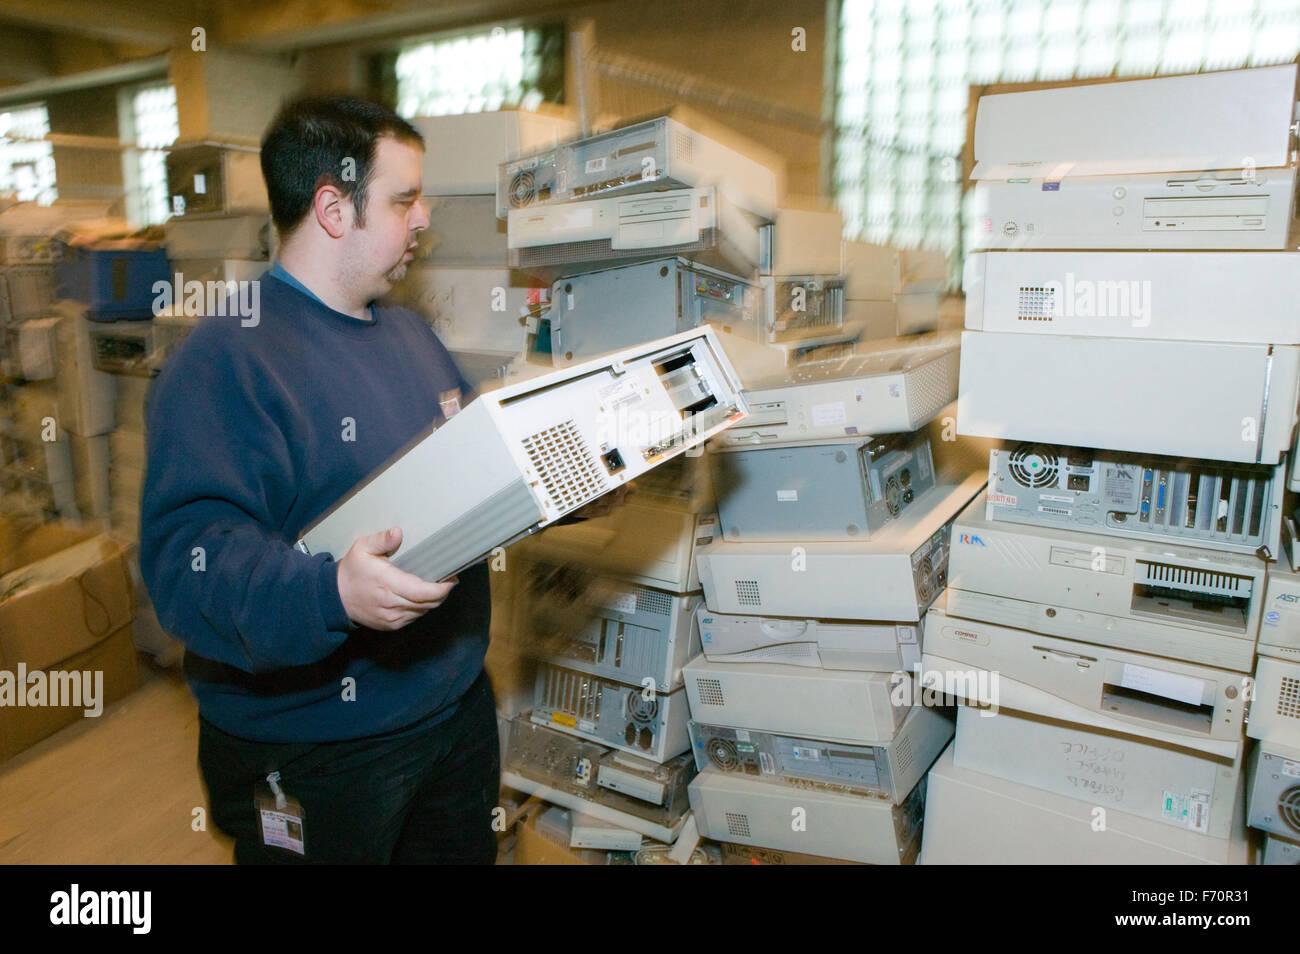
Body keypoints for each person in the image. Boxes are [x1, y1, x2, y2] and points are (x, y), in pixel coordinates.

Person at [141, 96, 500, 864]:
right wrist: (330, 593)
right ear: (333, 208)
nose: (423, 217)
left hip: (452, 713)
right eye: (404, 199)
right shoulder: (226, 362)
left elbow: (470, 470)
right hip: (320, 750)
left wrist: (567, 486)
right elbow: (189, 567)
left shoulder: (407, 334)